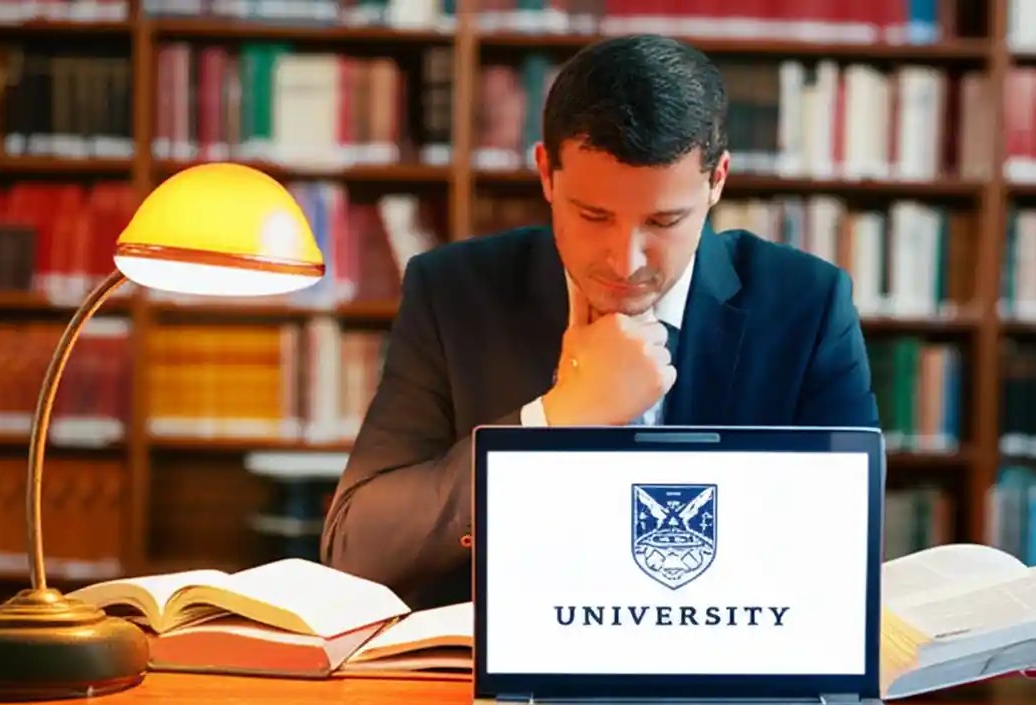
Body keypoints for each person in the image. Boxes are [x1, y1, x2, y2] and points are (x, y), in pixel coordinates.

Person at [321, 34, 879, 609]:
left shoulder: (807, 305)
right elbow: (356, 550)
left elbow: (844, 550)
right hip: (509, 681)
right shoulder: (456, 293)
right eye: (593, 216)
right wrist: (552, 422)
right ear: (546, 174)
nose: (625, 260)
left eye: (664, 221)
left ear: (717, 182)